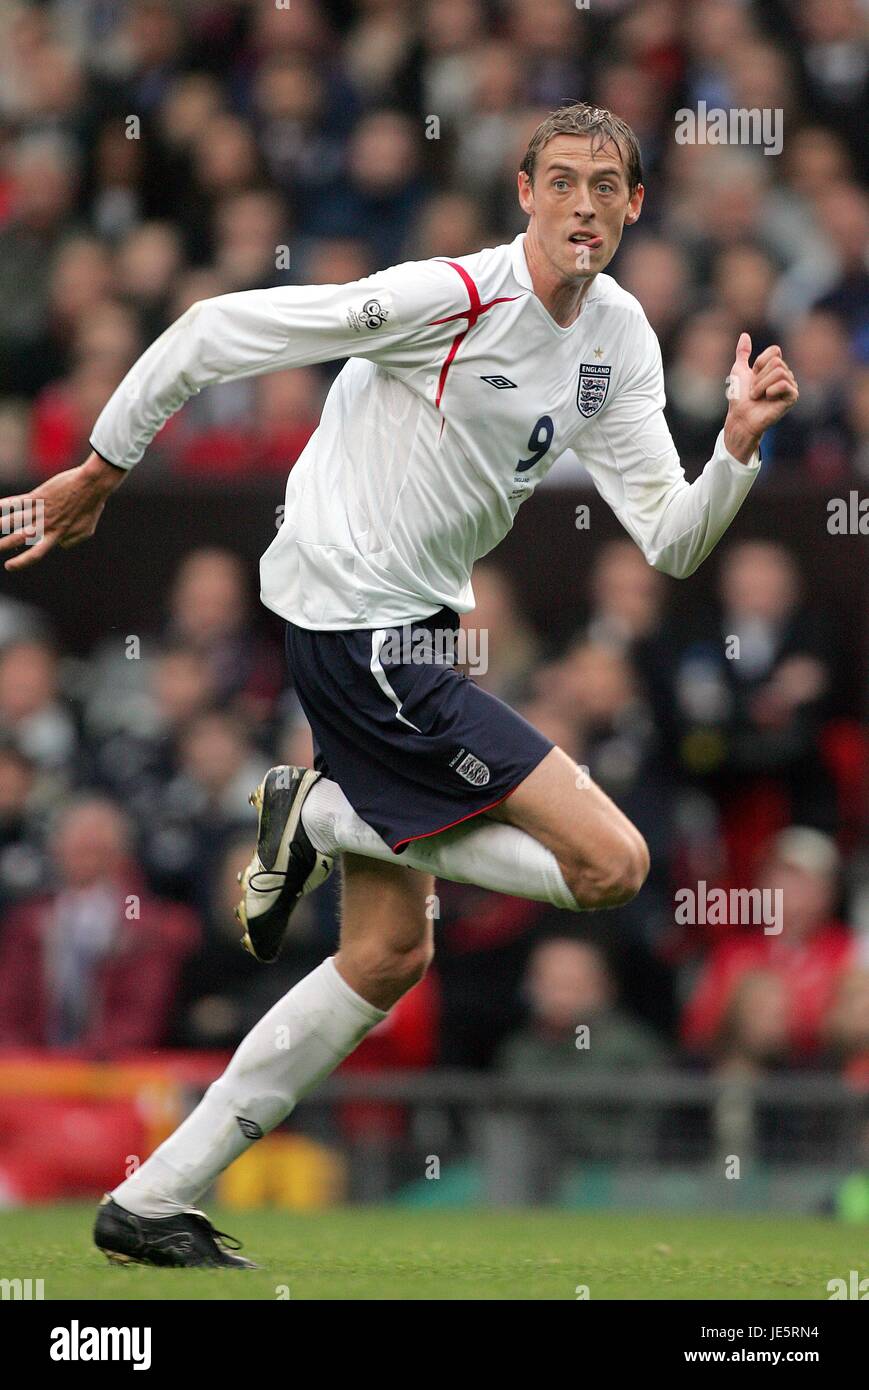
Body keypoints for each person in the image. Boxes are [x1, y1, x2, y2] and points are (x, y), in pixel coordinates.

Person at [0, 102, 799, 1268]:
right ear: (521, 191)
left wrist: (731, 448)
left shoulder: (617, 337)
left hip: (417, 629)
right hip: (354, 629)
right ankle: (319, 809)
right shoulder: (450, 296)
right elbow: (214, 325)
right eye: (561, 181)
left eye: (606, 187)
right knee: (611, 863)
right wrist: (100, 468)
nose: (583, 204)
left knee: (384, 958)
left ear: (633, 207)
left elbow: (671, 541)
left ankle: (151, 1198)